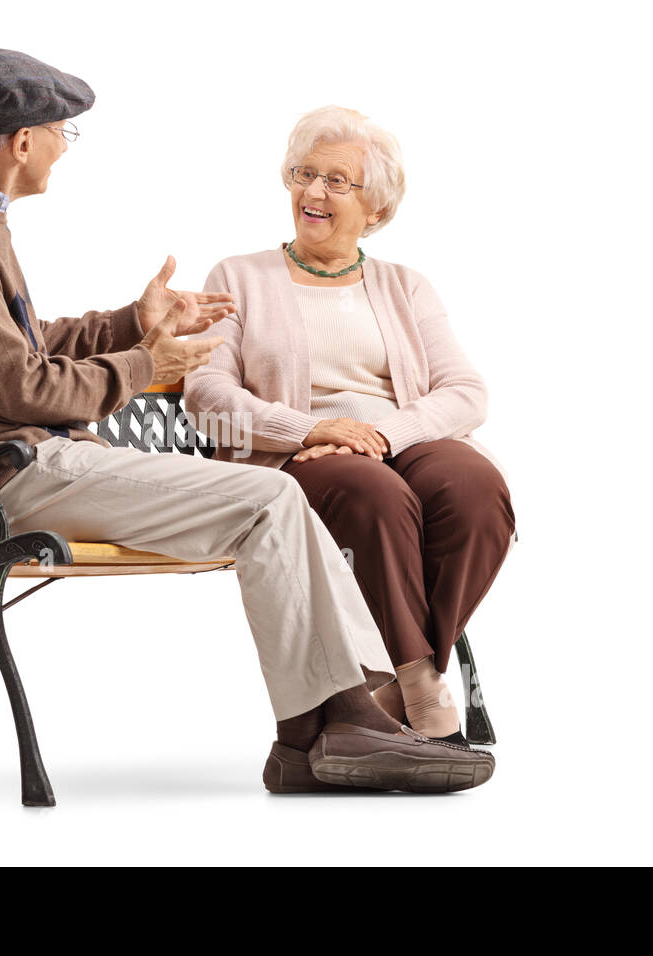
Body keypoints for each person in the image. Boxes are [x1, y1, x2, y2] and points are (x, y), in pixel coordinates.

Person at [0, 49, 494, 794]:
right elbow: (20, 385)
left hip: (30, 465)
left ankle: (327, 734)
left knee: (283, 502)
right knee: (271, 499)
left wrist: (135, 322)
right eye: (63, 134)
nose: (65, 151)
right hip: (4, 481)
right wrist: (145, 361)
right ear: (22, 141)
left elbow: (20, 353)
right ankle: (343, 724)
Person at [186, 106, 517, 745]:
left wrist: (386, 435)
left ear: (377, 211)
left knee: (476, 490)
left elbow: (467, 391)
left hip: (399, 437)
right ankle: (424, 689)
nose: (313, 192)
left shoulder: (405, 286)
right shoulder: (238, 277)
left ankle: (389, 684)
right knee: (376, 495)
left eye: (338, 182)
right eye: (303, 174)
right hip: (301, 457)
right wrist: (306, 431)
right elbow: (206, 397)